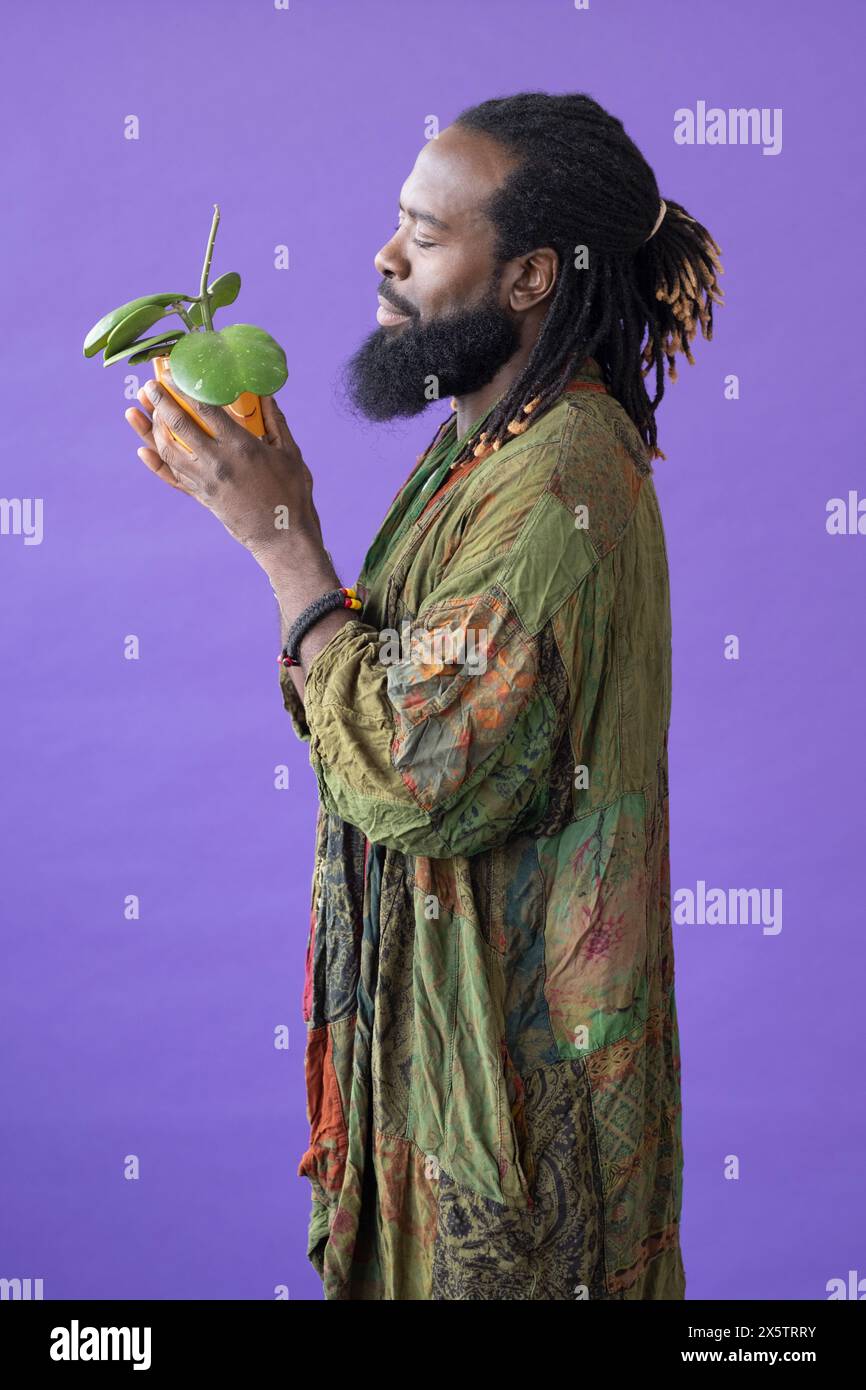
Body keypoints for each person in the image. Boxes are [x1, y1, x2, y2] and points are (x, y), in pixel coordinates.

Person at [126, 91, 723, 1301]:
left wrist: (284, 547)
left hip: (512, 1120)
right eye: (395, 224)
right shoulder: (488, 445)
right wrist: (275, 514)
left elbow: (414, 770)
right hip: (437, 1097)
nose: (384, 258)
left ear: (529, 278)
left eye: (426, 234)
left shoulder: (557, 481)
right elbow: (395, 683)